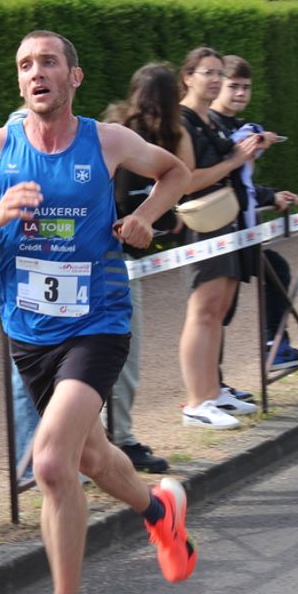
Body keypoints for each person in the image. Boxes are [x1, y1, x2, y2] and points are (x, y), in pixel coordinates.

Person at [0, 30, 194, 594]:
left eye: (48, 62)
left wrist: (141, 219)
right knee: (89, 454)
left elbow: (175, 172)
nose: (36, 73)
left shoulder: (104, 141)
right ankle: (160, 512)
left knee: (52, 461)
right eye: (25, 64)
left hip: (98, 321)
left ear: (73, 77)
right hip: (28, 330)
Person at [176, 48, 270, 429]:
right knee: (202, 312)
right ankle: (196, 402)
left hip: (225, 221)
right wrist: (234, 161)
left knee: (217, 311)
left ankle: (212, 392)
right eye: (206, 73)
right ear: (188, 77)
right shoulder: (181, 121)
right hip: (202, 223)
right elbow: (184, 180)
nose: (214, 80)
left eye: (218, 73)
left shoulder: (206, 120)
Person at [100, 62, 187, 473]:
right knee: (124, 351)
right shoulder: (149, 136)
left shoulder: (116, 130)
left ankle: (104, 440)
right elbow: (182, 178)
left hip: (106, 249)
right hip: (119, 259)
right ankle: (118, 440)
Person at [210, 55, 298, 371]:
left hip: (245, 227)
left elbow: (242, 181)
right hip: (222, 230)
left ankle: (275, 346)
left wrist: (270, 195)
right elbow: (229, 158)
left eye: (246, 87)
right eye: (233, 87)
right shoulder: (214, 125)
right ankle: (213, 384)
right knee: (218, 312)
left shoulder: (236, 125)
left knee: (276, 271)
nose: (241, 93)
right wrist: (257, 136)